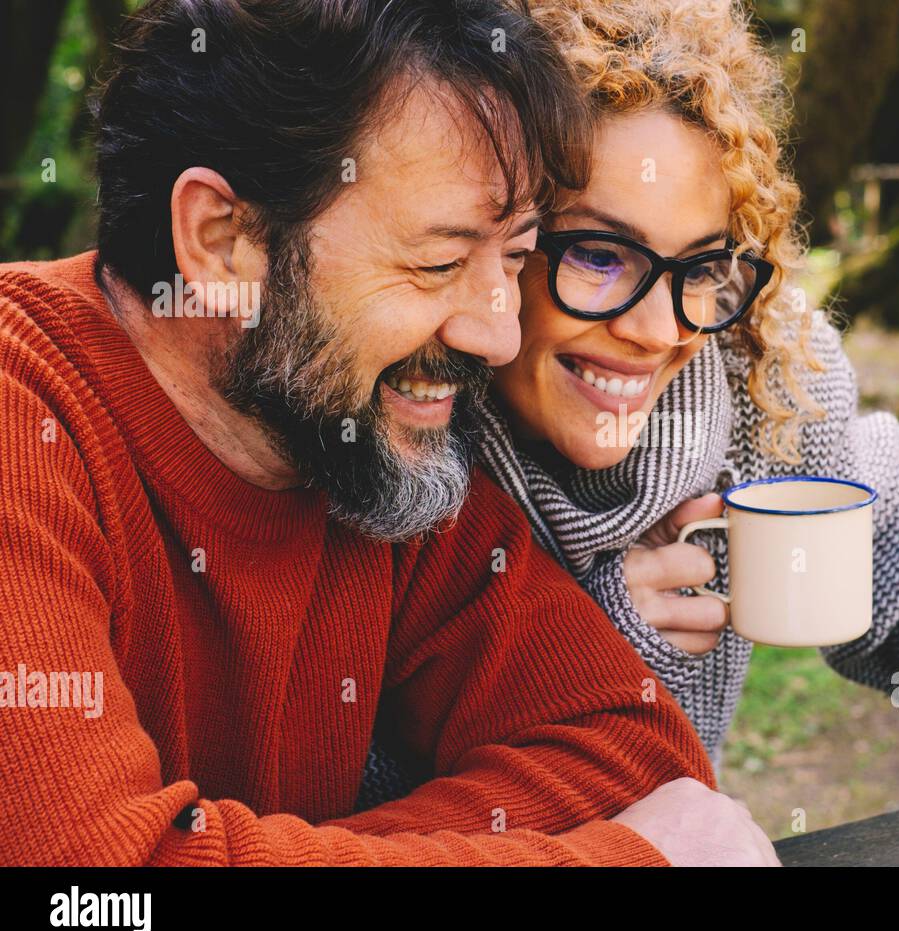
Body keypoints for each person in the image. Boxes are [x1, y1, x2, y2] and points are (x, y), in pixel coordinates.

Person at [0, 0, 778, 867]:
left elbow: (627, 745)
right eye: (439, 263)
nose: (497, 334)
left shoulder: (369, 444)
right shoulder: (23, 417)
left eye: (515, 258)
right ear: (222, 242)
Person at [360, 0, 899, 807]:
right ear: (500, 245)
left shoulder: (756, 377)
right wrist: (592, 657)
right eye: (597, 253)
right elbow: (357, 798)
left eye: (699, 267)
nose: (658, 331)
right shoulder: (408, 436)